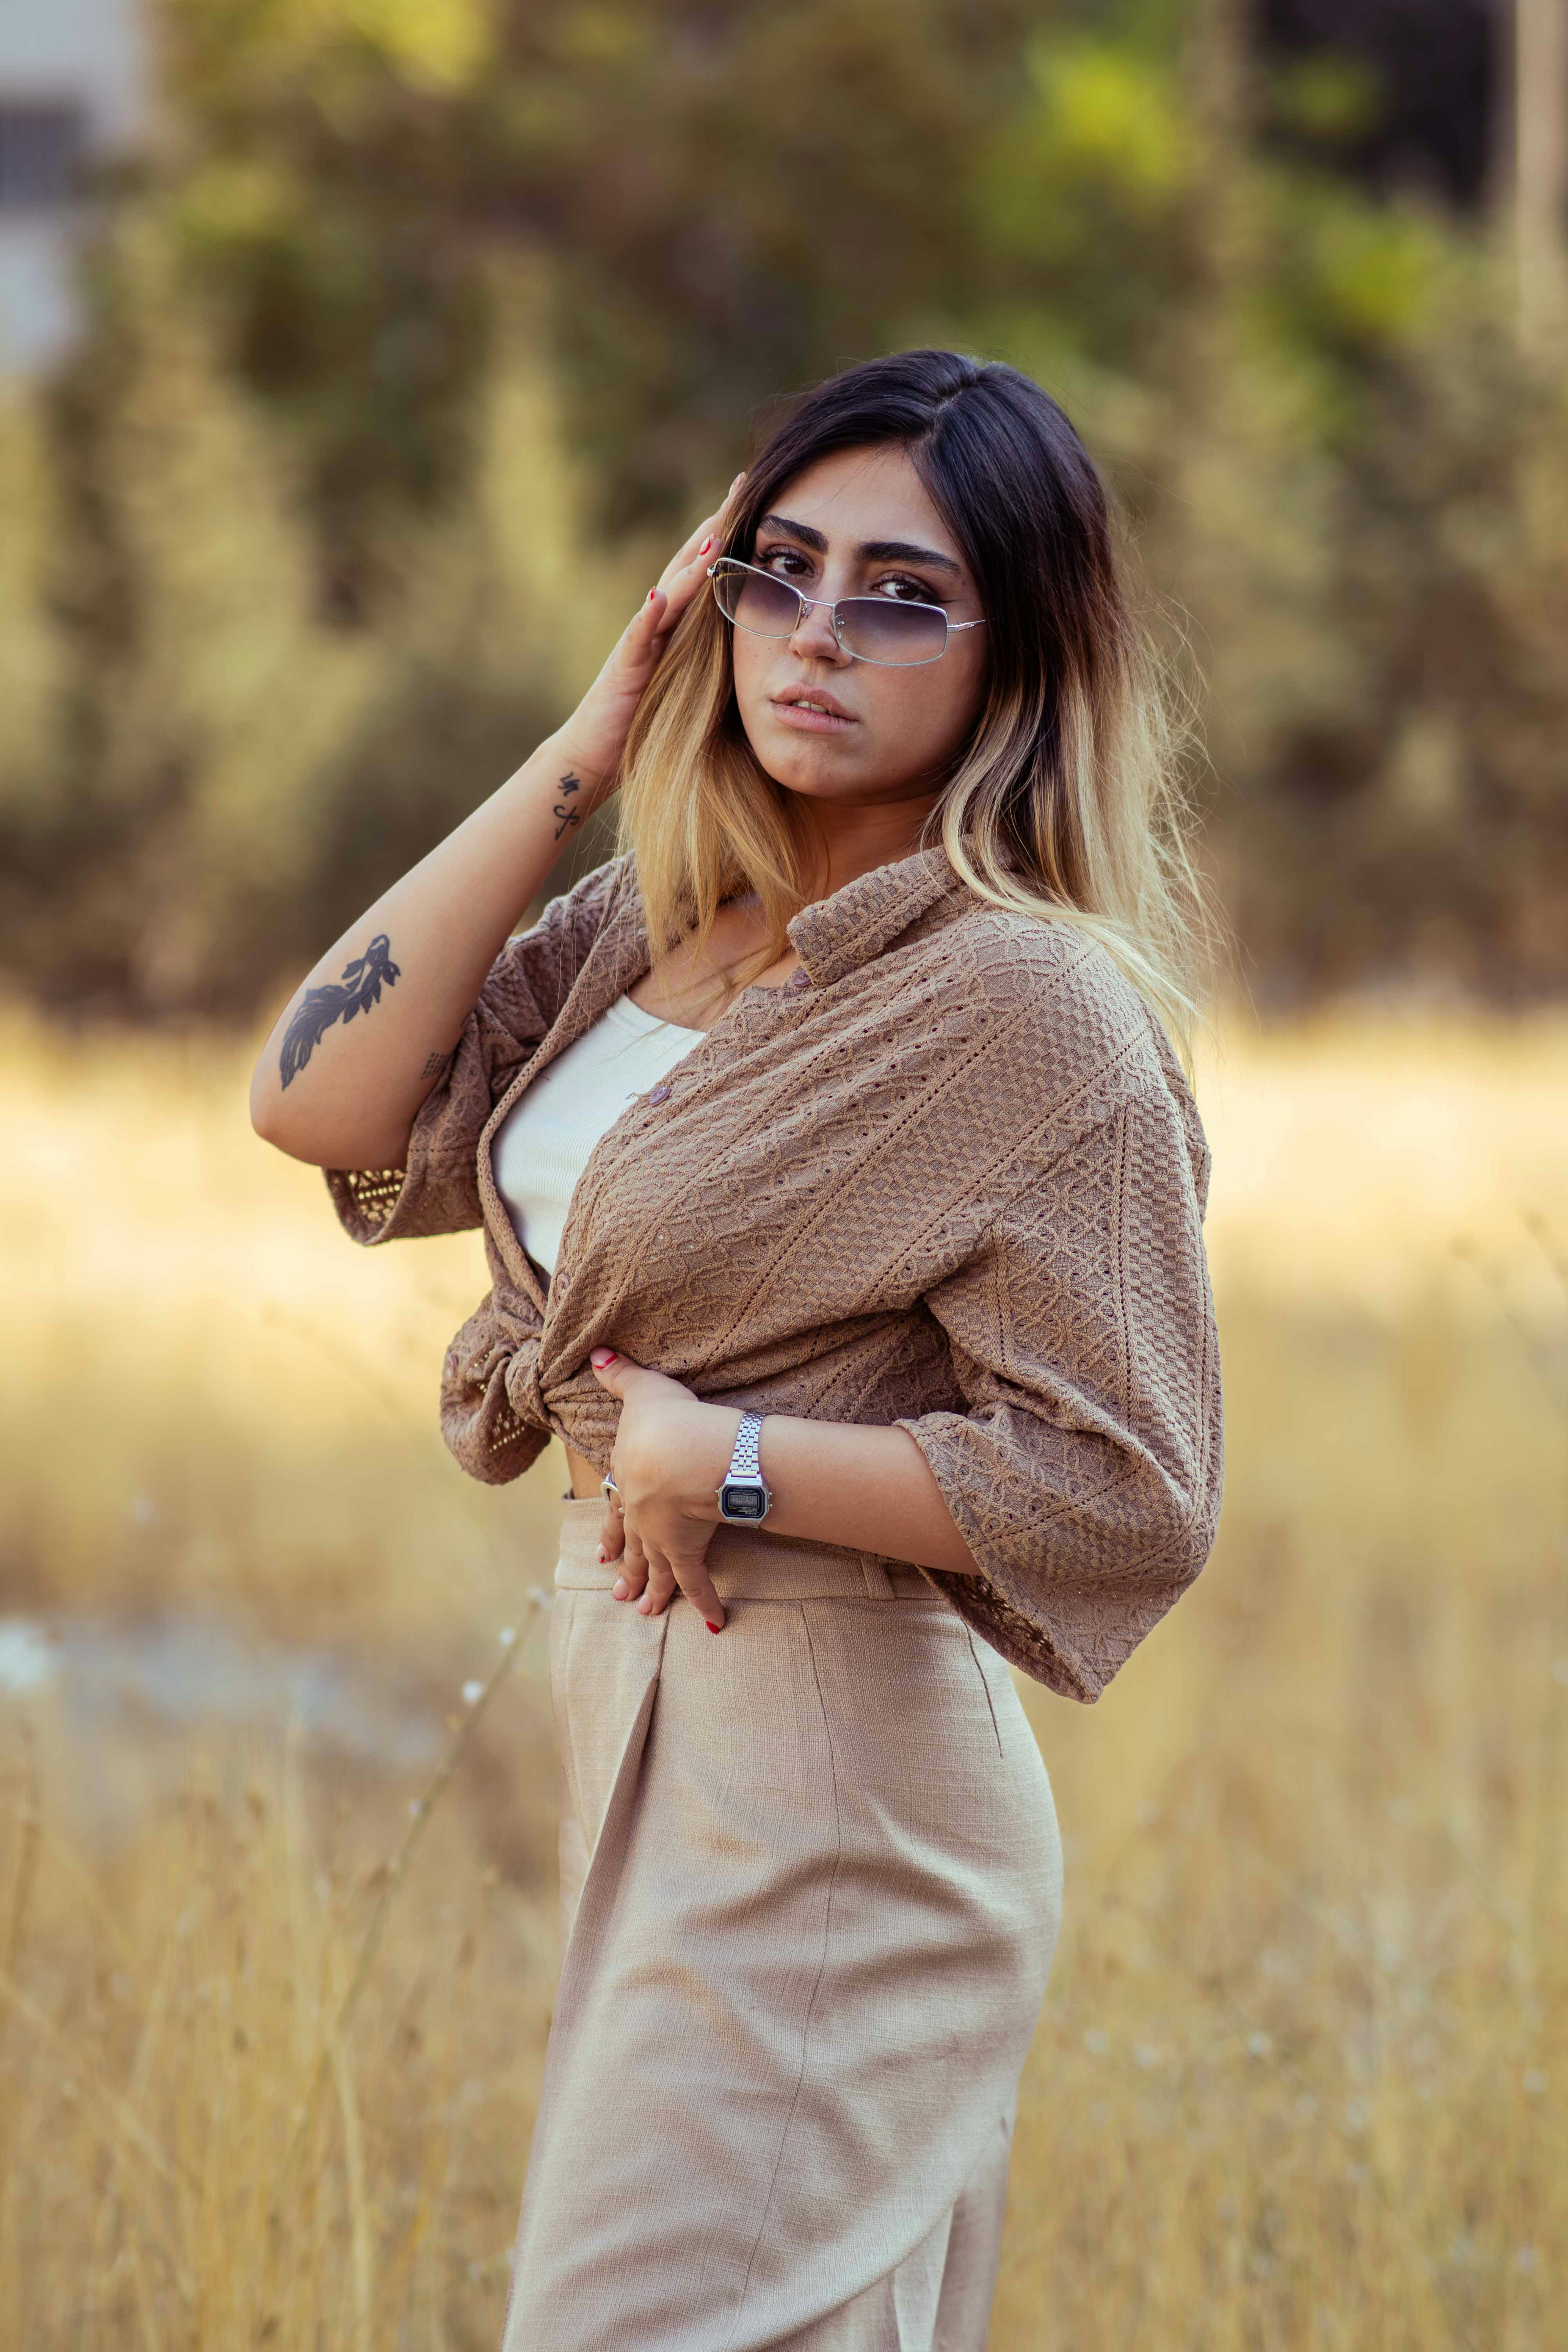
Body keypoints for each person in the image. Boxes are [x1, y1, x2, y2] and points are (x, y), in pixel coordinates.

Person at [251, 347, 1223, 2352]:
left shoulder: (1027, 1007)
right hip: (639, 1708)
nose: (817, 634)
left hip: (838, 1775)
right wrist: (589, 744)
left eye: (903, 595)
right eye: (780, 570)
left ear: (1023, 654)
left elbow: (1131, 1487)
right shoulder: (662, 920)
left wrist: (736, 1463)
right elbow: (317, 1100)